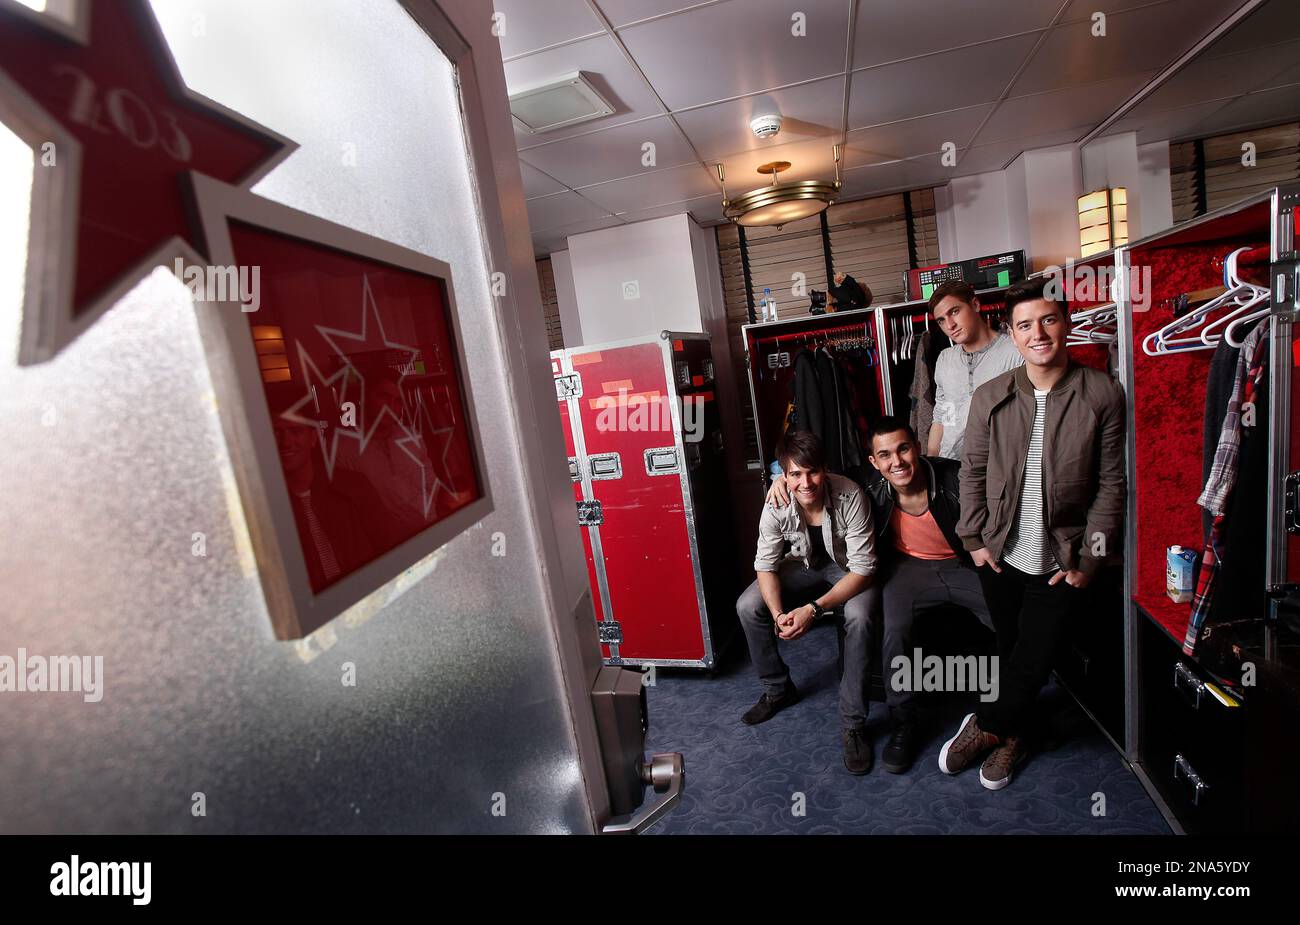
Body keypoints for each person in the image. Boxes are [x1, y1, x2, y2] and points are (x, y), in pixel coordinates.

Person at [939, 275, 1126, 791]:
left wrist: (1090, 557)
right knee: (1012, 648)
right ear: (1012, 333)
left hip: (1062, 555)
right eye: (1025, 324)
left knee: (1037, 651)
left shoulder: (1102, 393)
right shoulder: (991, 395)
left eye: (1048, 319)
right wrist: (973, 540)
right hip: (1000, 550)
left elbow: (1112, 485)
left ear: (1064, 323)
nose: (1038, 332)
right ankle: (1017, 733)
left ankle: (989, 725)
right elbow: (971, 471)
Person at [769, 416, 993, 773]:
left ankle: (1007, 712)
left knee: (1010, 618)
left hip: (963, 563)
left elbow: (1000, 496)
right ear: (874, 462)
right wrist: (779, 482)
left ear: (917, 448)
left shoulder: (955, 477)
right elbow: (812, 474)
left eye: (903, 449)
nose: (897, 462)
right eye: (885, 455)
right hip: (908, 570)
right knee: (893, 632)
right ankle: (904, 722)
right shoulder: (865, 483)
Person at [736, 431, 878, 774]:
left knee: (859, 616)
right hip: (803, 565)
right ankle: (777, 689)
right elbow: (765, 564)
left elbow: (865, 568)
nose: (805, 482)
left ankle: (853, 723)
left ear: (824, 469)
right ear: (783, 475)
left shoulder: (850, 495)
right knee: (747, 605)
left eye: (812, 471)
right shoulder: (776, 501)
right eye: (795, 474)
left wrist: (814, 609)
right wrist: (778, 614)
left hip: (848, 571)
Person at [927, 281, 1023, 461]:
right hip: (950, 465)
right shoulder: (945, 359)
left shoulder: (1016, 352)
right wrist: (933, 460)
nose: (950, 325)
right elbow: (943, 414)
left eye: (954, 312)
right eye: (941, 320)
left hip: (996, 465)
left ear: (975, 305)